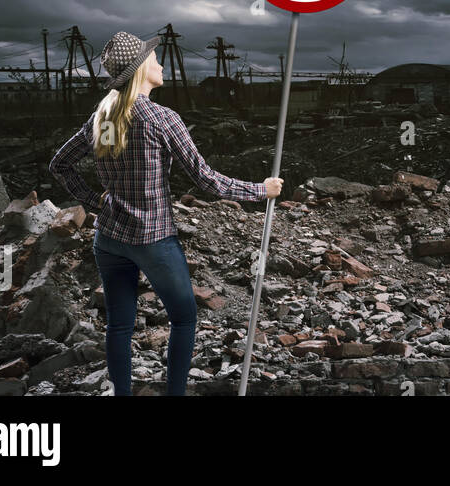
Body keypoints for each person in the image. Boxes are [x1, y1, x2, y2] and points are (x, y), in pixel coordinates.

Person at [48, 30, 283, 396]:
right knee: (184, 317)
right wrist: (261, 190)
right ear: (141, 68)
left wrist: (97, 202)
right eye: (153, 57)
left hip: (109, 238)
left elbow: (60, 164)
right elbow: (206, 180)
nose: (159, 62)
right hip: (153, 239)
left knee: (119, 326)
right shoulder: (161, 118)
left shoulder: (103, 117)